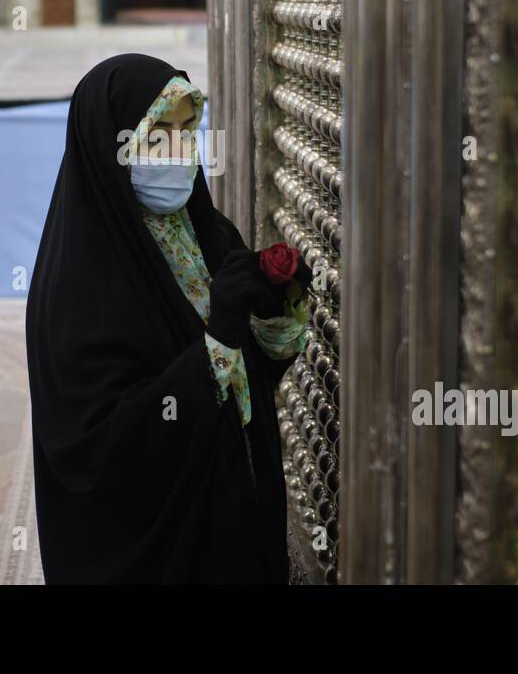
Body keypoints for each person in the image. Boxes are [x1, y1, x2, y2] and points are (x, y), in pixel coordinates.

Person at [25, 53, 311, 583]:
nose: (178, 150)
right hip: (159, 550)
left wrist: (274, 310)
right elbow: (100, 452)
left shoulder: (207, 233)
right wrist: (217, 341)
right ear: (112, 142)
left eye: (187, 129)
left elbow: (250, 385)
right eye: (157, 133)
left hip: (237, 514)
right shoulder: (80, 282)